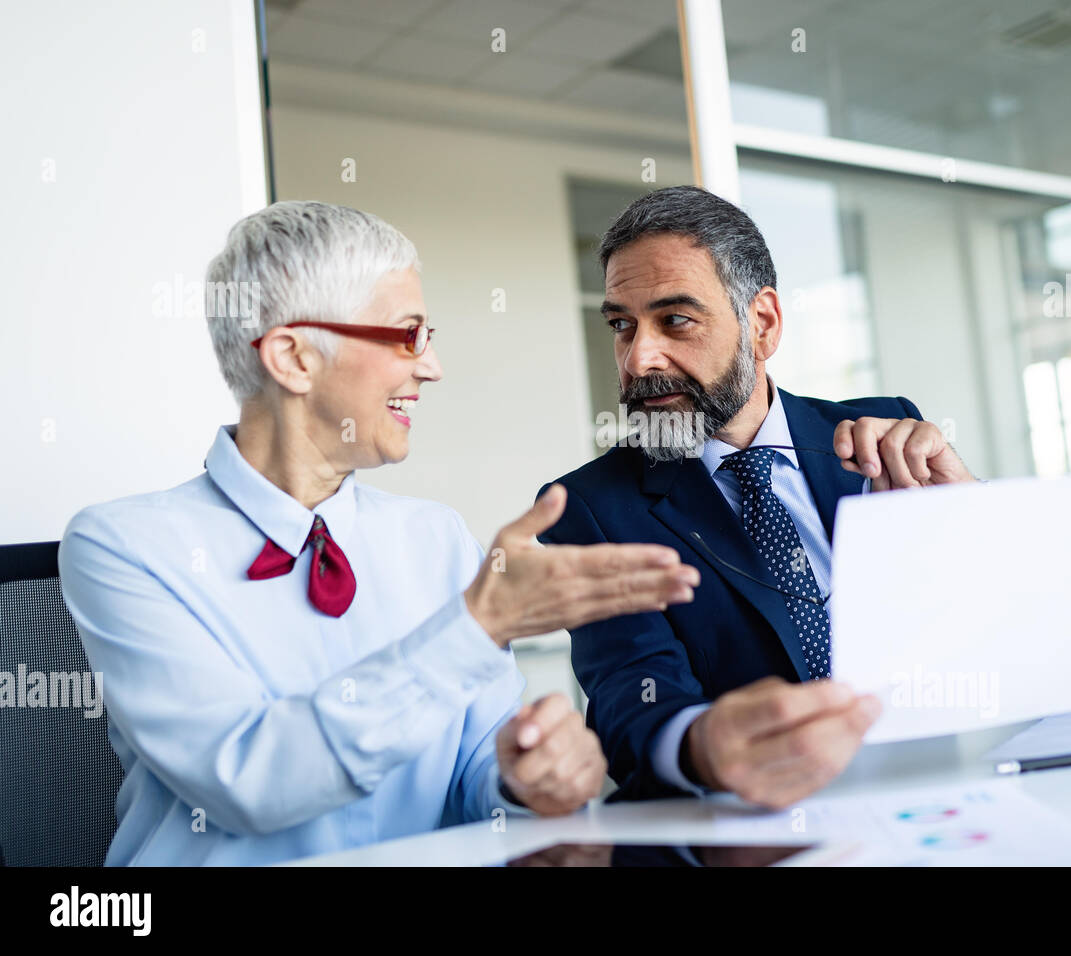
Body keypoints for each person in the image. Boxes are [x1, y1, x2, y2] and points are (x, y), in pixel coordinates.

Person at [58, 201, 699, 865]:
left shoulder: (434, 537)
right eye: (407, 336)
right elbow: (246, 780)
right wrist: (473, 628)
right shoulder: (125, 547)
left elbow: (480, 776)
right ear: (294, 358)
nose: (432, 367)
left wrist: (524, 781)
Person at [540, 186, 976, 808]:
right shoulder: (591, 507)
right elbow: (627, 697)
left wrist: (970, 513)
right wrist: (703, 745)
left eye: (676, 320)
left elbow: (1005, 627)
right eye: (622, 325)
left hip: (955, 792)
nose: (639, 358)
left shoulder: (890, 436)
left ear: (762, 324)